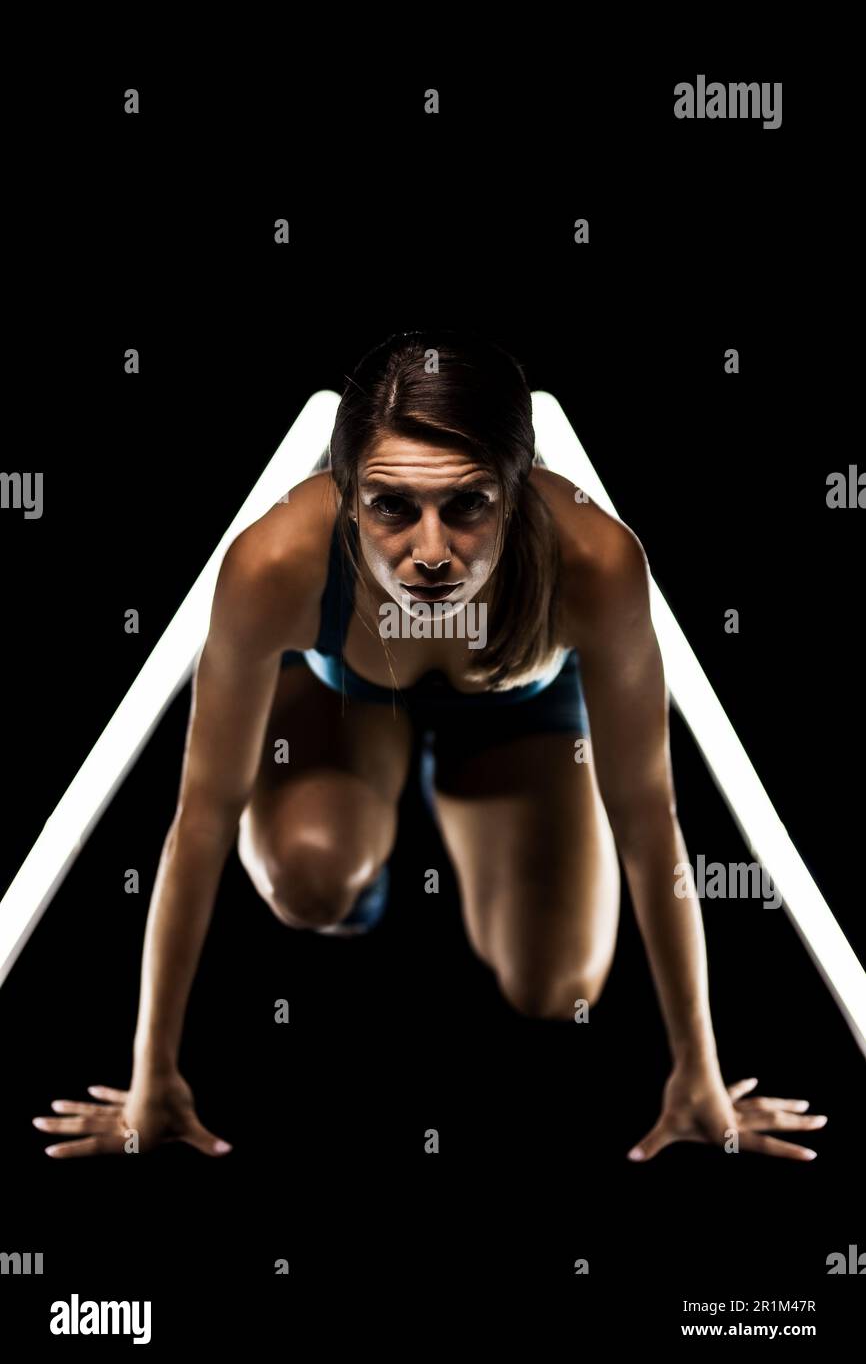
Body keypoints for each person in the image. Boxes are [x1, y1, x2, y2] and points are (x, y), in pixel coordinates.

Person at [32, 329, 827, 1161]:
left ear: (518, 493)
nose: (432, 554)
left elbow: (650, 817)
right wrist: (153, 1073)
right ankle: (363, 845)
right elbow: (202, 817)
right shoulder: (275, 564)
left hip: (520, 712)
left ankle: (459, 787)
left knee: (560, 985)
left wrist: (697, 1067)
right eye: (392, 507)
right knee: (309, 876)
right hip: (349, 699)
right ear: (344, 498)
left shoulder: (595, 561)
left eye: (469, 505)